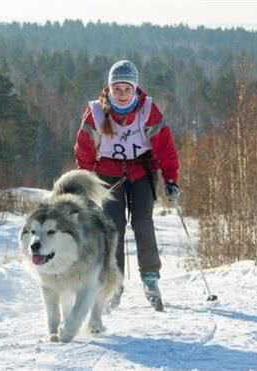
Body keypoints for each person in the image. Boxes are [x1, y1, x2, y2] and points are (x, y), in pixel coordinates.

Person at [74, 60, 181, 312]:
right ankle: (114, 283)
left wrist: (171, 178)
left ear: (135, 89)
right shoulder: (96, 112)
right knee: (114, 227)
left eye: (127, 89)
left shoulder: (147, 109)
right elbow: (84, 150)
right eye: (117, 89)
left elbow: (165, 148)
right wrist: (86, 184)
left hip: (141, 172)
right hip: (108, 176)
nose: (122, 95)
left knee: (143, 222)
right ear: (110, 89)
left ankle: (150, 278)